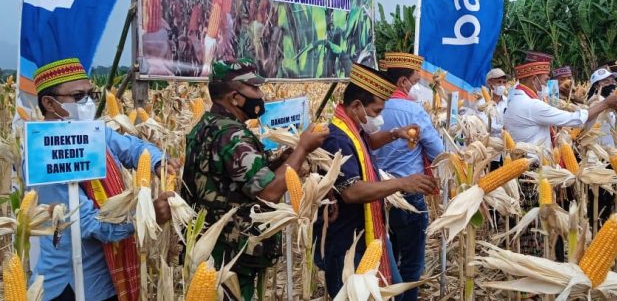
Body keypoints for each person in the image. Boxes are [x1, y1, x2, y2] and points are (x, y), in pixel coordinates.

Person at [182, 59, 328, 301]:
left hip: (210, 246)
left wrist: (283, 160)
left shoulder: (206, 126)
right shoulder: (232, 135)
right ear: (235, 98)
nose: (261, 95)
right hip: (232, 253)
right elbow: (268, 191)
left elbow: (238, 179)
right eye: (254, 88)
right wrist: (303, 148)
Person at [31, 58, 175, 301]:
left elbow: (133, 148)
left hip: (109, 276)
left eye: (91, 94)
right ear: (49, 103)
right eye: (78, 96)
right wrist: (146, 216)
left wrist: (158, 161)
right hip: (71, 284)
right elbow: (88, 224)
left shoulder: (93, 132)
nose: (88, 102)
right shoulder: (43, 154)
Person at [313, 64, 438, 297]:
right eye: (377, 111)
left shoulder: (352, 129)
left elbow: (367, 144)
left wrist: (395, 133)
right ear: (357, 106)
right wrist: (402, 183)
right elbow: (351, 191)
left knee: (392, 291)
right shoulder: (337, 139)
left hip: (368, 231)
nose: (379, 118)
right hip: (348, 241)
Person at [374, 53, 444, 301]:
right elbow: (438, 152)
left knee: (386, 260)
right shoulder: (413, 110)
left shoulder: (372, 107)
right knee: (412, 263)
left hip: (376, 194)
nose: (417, 87)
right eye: (414, 81)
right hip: (409, 195)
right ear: (403, 82)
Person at [503, 60, 617, 150]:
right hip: (534, 166)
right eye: (546, 80)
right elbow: (573, 119)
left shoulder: (517, 100)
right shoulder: (531, 104)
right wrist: (606, 103)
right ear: (533, 79)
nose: (547, 85)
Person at [474, 68, 510, 169]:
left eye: (504, 82)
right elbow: (486, 126)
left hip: (506, 151)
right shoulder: (481, 104)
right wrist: (504, 128)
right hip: (489, 152)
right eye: (499, 82)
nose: (502, 85)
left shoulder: (508, 102)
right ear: (490, 83)